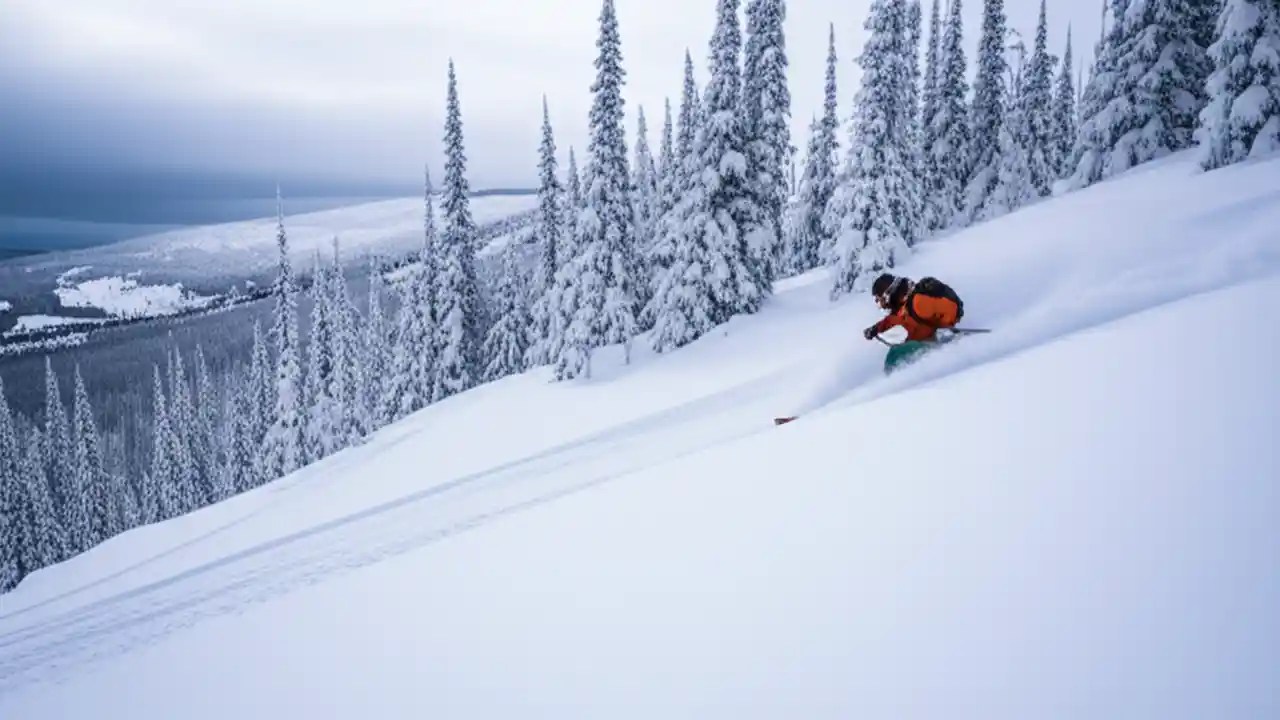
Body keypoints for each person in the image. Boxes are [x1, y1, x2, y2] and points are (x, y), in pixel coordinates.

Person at [863, 273, 964, 373]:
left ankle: (901, 382)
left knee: (897, 355)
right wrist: (876, 328)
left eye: (881, 300)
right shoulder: (903, 307)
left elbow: (950, 310)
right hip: (927, 343)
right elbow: (892, 320)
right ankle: (898, 381)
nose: (882, 305)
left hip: (939, 344)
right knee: (895, 354)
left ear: (889, 295)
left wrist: (944, 331)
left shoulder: (918, 303)